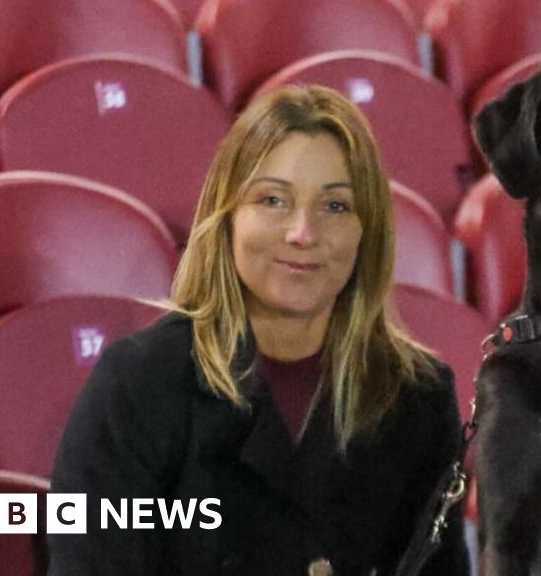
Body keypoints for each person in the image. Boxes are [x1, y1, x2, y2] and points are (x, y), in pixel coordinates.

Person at [48, 85, 470, 576]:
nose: (303, 234)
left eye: (335, 206)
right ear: (227, 219)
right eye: (272, 200)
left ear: (367, 231)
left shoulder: (418, 396)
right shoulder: (134, 386)